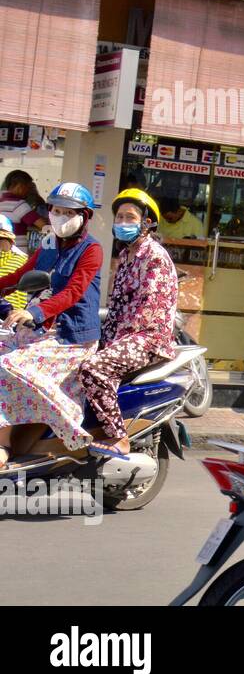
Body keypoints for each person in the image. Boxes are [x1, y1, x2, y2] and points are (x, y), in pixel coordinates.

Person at [0, 182, 102, 468]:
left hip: (71, 337)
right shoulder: (47, 243)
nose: (59, 216)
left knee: (9, 364)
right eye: (55, 210)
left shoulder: (92, 250)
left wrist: (35, 311)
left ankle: (8, 443)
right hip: (40, 331)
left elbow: (73, 292)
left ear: (84, 216)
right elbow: (22, 275)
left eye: (67, 212)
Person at [76, 189, 178, 459]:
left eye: (130, 217)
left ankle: (119, 437)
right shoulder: (125, 256)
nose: (122, 222)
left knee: (93, 369)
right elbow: (117, 308)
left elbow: (147, 311)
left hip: (147, 339)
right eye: (119, 217)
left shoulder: (154, 256)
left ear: (147, 222)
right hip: (125, 337)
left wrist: (111, 345)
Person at [0, 170, 47, 253]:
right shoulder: (18, 204)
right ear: (20, 186)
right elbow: (43, 226)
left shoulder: (2, 201)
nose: (28, 192)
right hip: (16, 255)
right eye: (28, 187)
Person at [0, 215, 28, 312]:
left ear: (11, 241)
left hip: (13, 315)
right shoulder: (24, 259)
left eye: (2, 239)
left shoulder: (23, 260)